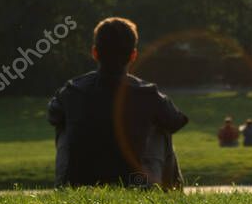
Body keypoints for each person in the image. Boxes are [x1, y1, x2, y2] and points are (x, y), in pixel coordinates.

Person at [47, 17, 188, 189]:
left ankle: (65, 185)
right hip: (134, 181)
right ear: (133, 55)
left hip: (81, 182)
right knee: (162, 127)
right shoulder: (148, 93)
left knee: (62, 122)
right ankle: (167, 191)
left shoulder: (72, 91)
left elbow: (52, 115)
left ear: (94, 52)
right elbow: (175, 121)